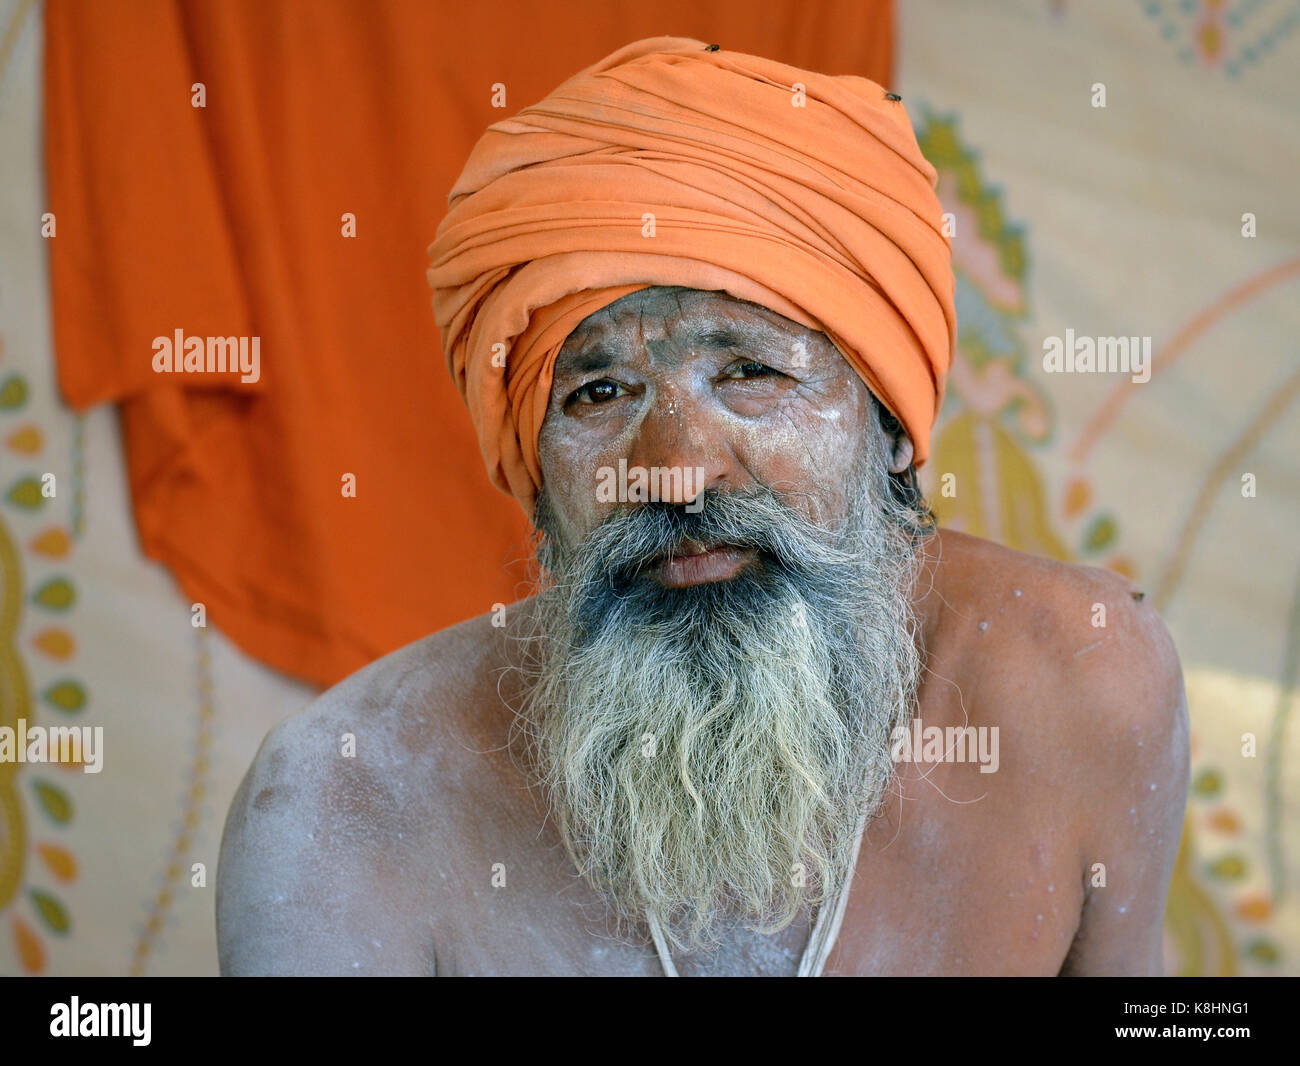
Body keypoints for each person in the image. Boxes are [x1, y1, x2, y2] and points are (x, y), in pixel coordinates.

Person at [215, 38, 1188, 977]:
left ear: (888, 424)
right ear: (536, 480)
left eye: (751, 371)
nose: (675, 471)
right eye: (598, 394)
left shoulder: (1082, 677)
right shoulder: (349, 796)